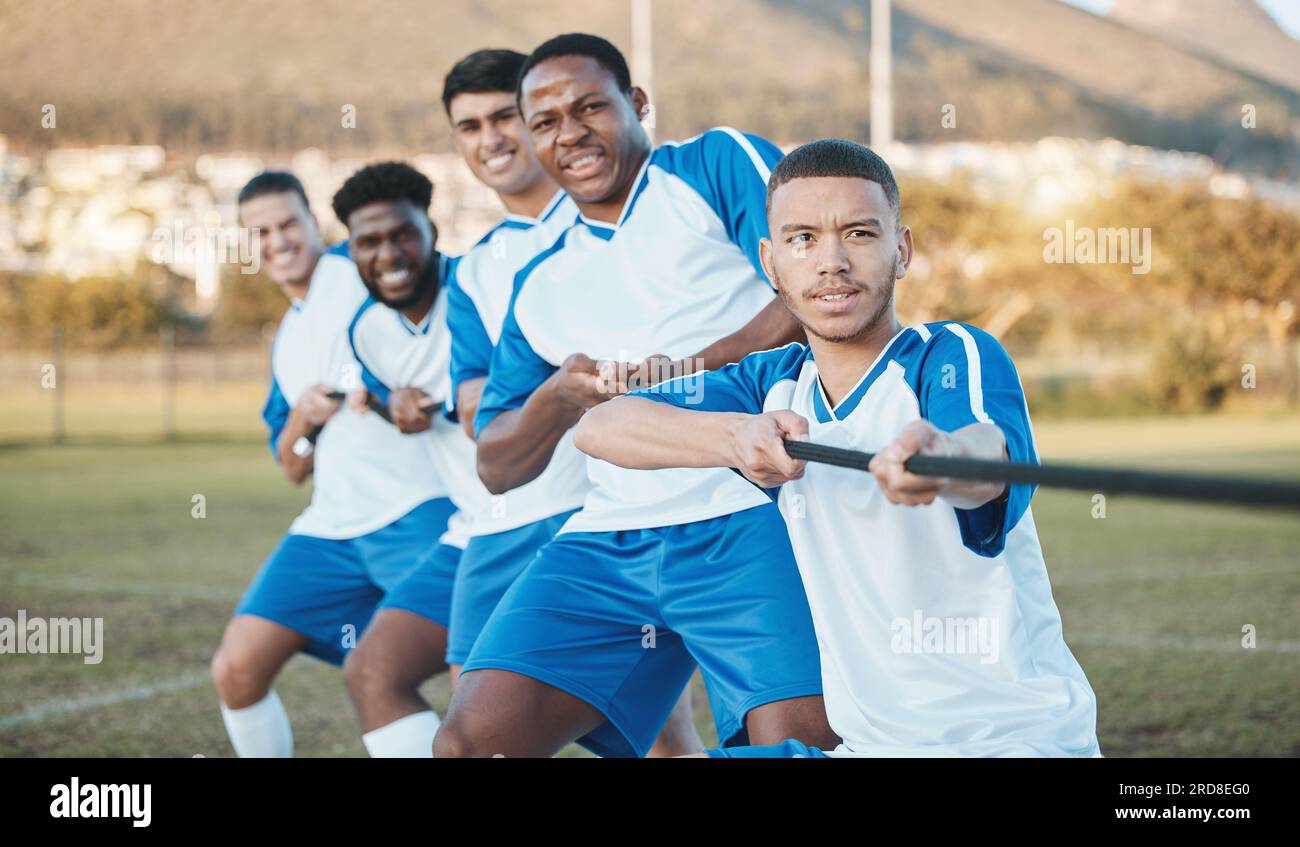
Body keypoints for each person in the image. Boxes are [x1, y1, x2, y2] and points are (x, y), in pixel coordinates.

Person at [574, 138, 1101, 757]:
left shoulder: (950, 353)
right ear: (770, 264)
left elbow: (986, 459)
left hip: (1007, 743)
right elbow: (601, 426)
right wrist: (734, 435)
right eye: (802, 239)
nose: (831, 262)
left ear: (901, 250)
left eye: (858, 234)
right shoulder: (769, 382)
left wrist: (938, 457)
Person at [433, 34, 835, 759]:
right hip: (611, 536)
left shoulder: (710, 165)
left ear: (637, 104)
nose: (571, 132)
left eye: (590, 106)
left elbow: (816, 292)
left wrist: (681, 372)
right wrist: (559, 395)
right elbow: (495, 464)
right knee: (470, 743)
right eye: (547, 121)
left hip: (752, 515)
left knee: (803, 750)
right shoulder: (540, 285)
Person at [212, 171, 457, 757]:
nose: (278, 241)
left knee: (474, 679)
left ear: (317, 226)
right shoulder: (287, 339)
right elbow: (293, 465)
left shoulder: (357, 267)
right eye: (260, 232)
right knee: (236, 669)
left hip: (421, 510)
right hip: (332, 528)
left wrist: (383, 394)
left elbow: (419, 260)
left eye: (289, 223)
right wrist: (303, 419)